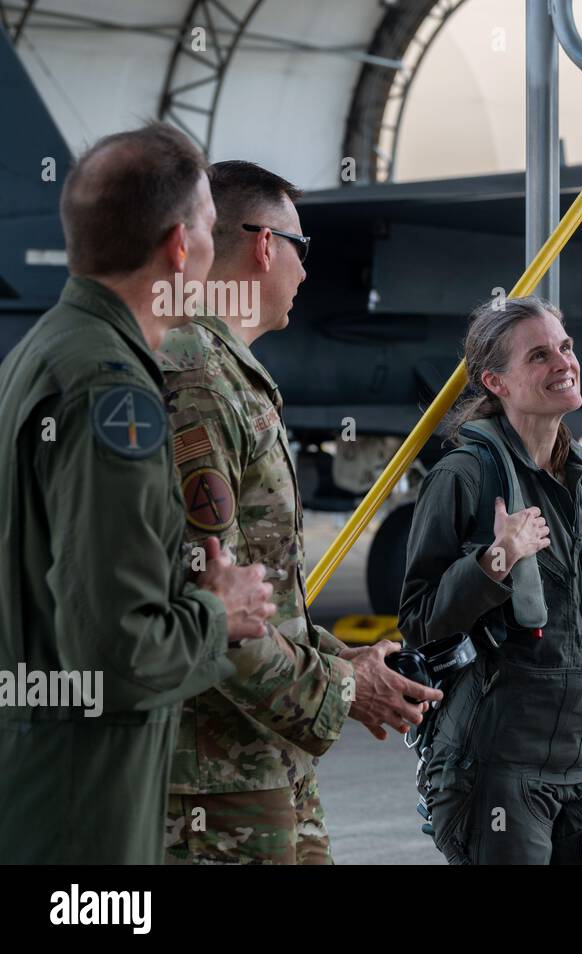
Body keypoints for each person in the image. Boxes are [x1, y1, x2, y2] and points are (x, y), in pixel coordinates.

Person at [0, 123, 274, 864]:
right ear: (180, 248)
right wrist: (223, 613)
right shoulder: (109, 393)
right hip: (83, 817)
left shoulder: (39, 358)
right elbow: (116, 658)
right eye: (212, 230)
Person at [158, 160, 440, 864]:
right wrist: (347, 687)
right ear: (263, 246)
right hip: (211, 788)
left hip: (262, 765)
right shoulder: (197, 383)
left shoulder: (231, 378)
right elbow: (204, 603)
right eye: (300, 250)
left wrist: (341, 656)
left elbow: (257, 597)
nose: (306, 273)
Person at [399, 295, 582, 865]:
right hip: (503, 752)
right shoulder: (464, 478)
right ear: (495, 381)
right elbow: (419, 626)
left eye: (567, 348)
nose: (564, 363)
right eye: (540, 356)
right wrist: (494, 564)